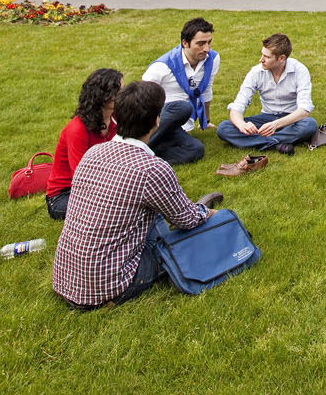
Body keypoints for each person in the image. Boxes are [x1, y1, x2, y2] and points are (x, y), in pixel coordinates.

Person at [52, 80, 224, 310]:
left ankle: (187, 208)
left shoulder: (93, 153)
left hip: (66, 279)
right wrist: (210, 213)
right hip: (109, 286)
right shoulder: (152, 169)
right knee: (174, 231)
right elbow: (187, 221)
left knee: (153, 204)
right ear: (156, 121)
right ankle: (194, 211)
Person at [216, 33, 319, 154]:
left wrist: (275, 125)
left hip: (290, 119)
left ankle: (259, 141)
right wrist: (242, 125)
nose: (261, 59)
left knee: (309, 125)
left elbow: (304, 110)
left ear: (281, 58)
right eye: (262, 54)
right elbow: (237, 106)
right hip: (266, 117)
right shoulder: (256, 72)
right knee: (224, 128)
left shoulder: (300, 70)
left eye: (266, 57)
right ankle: (276, 144)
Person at [45, 68, 123, 220]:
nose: (124, 95)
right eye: (119, 91)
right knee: (115, 209)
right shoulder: (77, 129)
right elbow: (81, 176)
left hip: (100, 184)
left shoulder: (116, 118)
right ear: (103, 96)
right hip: (64, 195)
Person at [140, 17, 218, 166]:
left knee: (196, 149)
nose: (206, 48)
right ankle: (139, 148)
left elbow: (206, 90)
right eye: (201, 43)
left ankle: (149, 157)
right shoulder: (161, 67)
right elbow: (141, 100)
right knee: (181, 108)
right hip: (158, 120)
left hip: (179, 125)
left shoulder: (213, 59)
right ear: (185, 43)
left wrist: (206, 121)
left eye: (209, 42)